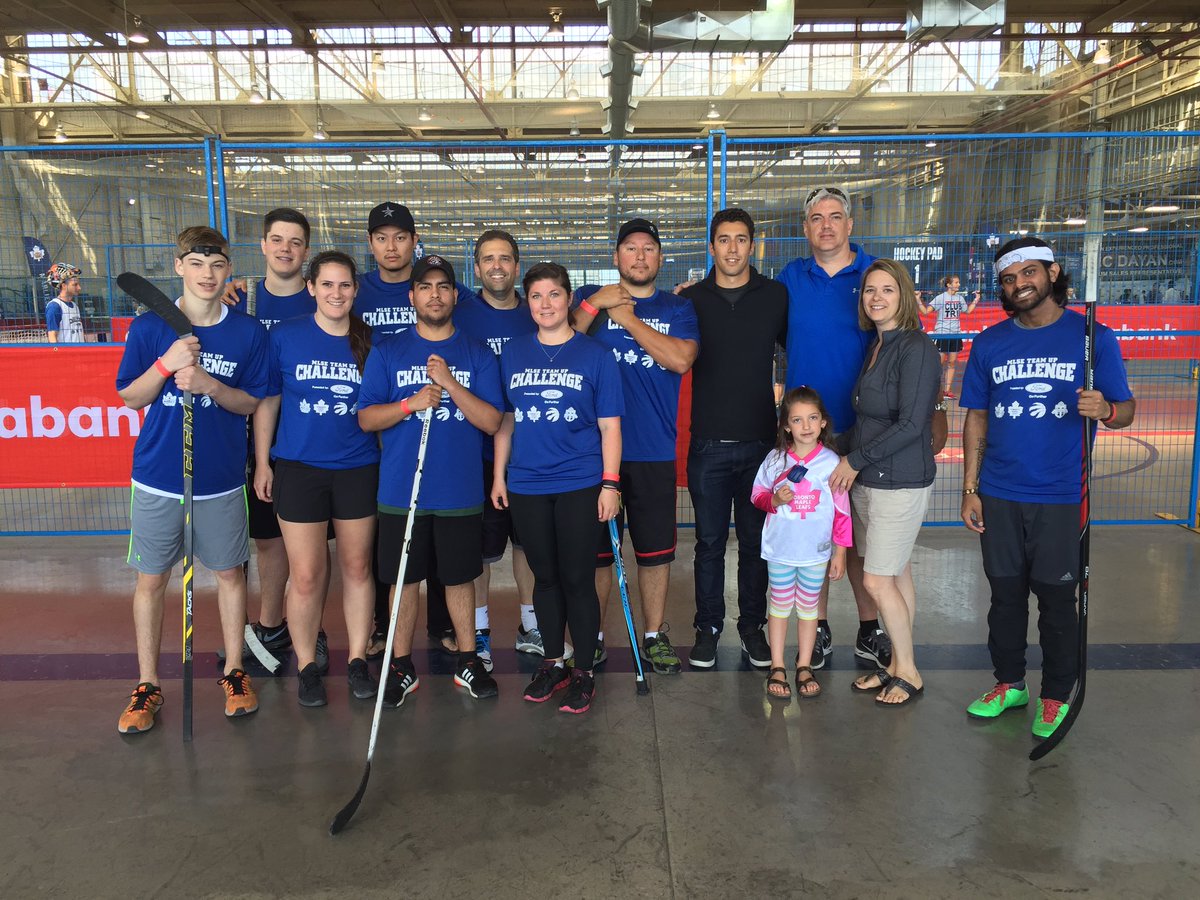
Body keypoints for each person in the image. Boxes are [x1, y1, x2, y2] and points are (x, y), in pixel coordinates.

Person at [960, 236, 1135, 738]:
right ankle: (1010, 684)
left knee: (1059, 599)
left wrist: (1104, 410)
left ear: (1053, 274)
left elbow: (1125, 410)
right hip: (998, 490)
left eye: (1029, 273)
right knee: (1004, 595)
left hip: (1061, 493)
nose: (1020, 285)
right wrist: (970, 486)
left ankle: (1056, 694)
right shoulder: (990, 342)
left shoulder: (1091, 338)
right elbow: (976, 417)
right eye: (1010, 279)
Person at [114, 226, 268, 734]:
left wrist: (208, 384)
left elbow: (251, 403)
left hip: (221, 479)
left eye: (217, 264)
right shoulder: (148, 329)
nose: (207, 274)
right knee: (152, 579)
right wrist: (167, 364)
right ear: (179, 267)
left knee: (229, 574)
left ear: (229, 270)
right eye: (197, 264)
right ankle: (146, 683)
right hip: (159, 476)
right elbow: (130, 398)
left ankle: (235, 671)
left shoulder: (248, 333)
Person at [358, 254, 504, 706]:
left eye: (443, 286)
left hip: (459, 490)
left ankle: (466, 659)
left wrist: (450, 384)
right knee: (403, 579)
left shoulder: (476, 353)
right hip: (403, 492)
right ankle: (400, 664)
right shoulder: (388, 350)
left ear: (455, 295)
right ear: (412, 296)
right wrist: (412, 403)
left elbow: (493, 421)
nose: (435, 294)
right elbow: (366, 418)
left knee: (459, 578)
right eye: (426, 287)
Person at [492, 263, 623, 714]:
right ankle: (553, 660)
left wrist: (610, 484)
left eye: (553, 295)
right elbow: (506, 421)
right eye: (536, 297)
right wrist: (498, 476)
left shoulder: (595, 355)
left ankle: (583, 669)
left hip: (580, 482)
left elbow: (610, 427)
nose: (545, 304)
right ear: (527, 303)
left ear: (568, 299)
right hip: (527, 483)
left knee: (576, 578)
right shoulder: (513, 353)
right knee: (543, 578)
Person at [572, 218, 700, 673]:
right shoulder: (591, 301)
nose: (640, 256)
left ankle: (653, 636)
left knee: (655, 552)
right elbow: (561, 337)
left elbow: (681, 359)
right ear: (616, 257)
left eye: (649, 249)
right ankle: (595, 637)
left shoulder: (677, 308)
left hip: (652, 451)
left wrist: (626, 318)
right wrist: (594, 303)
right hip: (595, 454)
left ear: (660, 258)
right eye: (630, 248)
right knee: (598, 554)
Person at [253, 251, 379, 707]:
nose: (336, 293)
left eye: (345, 285)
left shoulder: (370, 341)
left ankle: (358, 660)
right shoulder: (287, 338)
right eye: (327, 284)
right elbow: (269, 402)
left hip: (357, 468)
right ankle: (307, 666)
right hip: (299, 468)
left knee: (357, 568)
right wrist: (263, 462)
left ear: (355, 291)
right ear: (311, 288)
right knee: (306, 575)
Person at [778, 186, 892, 672]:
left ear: (850, 225)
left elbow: (901, 340)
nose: (825, 225)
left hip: (862, 432)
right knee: (814, 536)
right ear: (806, 228)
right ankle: (817, 628)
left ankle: (870, 631)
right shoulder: (790, 277)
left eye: (835, 217)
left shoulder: (871, 276)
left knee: (862, 538)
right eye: (816, 218)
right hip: (808, 435)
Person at [830, 260, 940, 706]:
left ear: (905, 296)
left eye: (887, 290)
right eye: (869, 290)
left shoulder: (916, 347)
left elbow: (914, 424)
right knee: (897, 575)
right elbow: (869, 420)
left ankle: (909, 672)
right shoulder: (879, 345)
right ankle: (895, 663)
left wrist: (853, 460)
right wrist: (821, 447)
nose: (876, 297)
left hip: (900, 482)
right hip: (871, 479)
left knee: (876, 581)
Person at [681, 208, 788, 669]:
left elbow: (792, 351)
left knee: (753, 543)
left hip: (760, 446)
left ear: (751, 245)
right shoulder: (692, 300)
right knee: (707, 544)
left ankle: (751, 628)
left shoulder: (775, 296)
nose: (732, 249)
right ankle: (707, 628)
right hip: (707, 444)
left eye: (741, 239)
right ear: (712, 247)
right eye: (723, 240)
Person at [453, 229, 540, 668]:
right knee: (481, 551)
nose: (497, 266)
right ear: (477, 267)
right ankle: (481, 631)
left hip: (532, 455)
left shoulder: (537, 313)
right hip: (475, 454)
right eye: (488, 259)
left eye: (505, 258)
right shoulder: (462, 315)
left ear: (517, 266)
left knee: (527, 545)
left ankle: (530, 625)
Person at [240, 207, 321, 665]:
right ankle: (272, 627)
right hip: (253, 439)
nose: (285, 249)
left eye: (294, 242)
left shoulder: (321, 301)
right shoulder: (242, 300)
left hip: (309, 441)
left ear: (305, 251)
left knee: (311, 550)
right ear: (264, 246)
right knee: (267, 541)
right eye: (277, 240)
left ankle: (313, 627)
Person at [752, 387, 850, 699]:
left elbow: (842, 512)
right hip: (781, 551)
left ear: (823, 422)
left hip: (815, 554)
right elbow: (757, 496)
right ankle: (778, 665)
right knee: (779, 607)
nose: (805, 426)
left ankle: (804, 664)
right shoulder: (775, 460)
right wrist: (774, 499)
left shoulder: (832, 462)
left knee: (809, 610)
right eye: (797, 419)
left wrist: (841, 553)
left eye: (812, 418)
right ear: (786, 426)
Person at [918, 274, 980, 400]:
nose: (958, 285)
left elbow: (967, 311)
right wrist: (918, 299)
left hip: (955, 334)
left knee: (952, 363)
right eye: (956, 282)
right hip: (942, 333)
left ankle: (947, 391)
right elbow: (925, 312)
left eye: (958, 282)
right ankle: (932, 389)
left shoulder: (960, 299)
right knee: (938, 363)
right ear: (948, 285)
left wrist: (976, 300)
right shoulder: (941, 298)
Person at [44, 262, 84, 342]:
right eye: (75, 285)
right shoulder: (54, 306)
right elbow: (52, 336)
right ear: (64, 285)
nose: (79, 288)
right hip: (66, 353)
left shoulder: (74, 306)